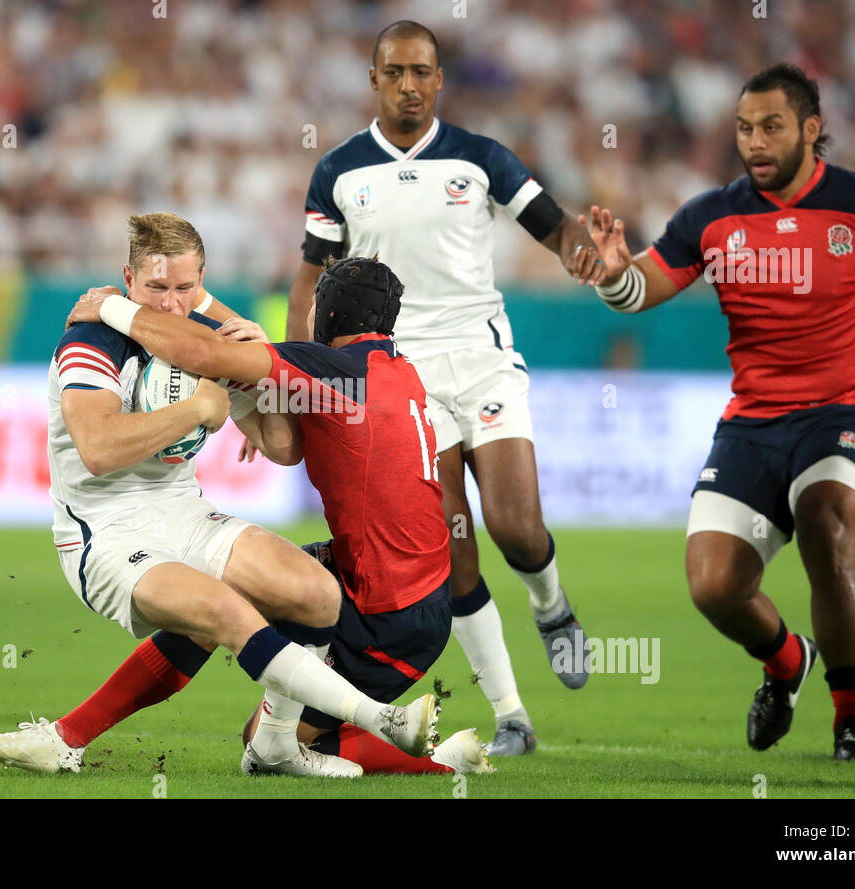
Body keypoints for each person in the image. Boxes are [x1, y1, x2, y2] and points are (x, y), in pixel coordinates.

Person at [0, 213, 440, 777]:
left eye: (185, 288)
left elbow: (283, 446)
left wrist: (262, 374)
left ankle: (268, 745)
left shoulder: (208, 339)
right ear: (128, 280)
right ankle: (384, 721)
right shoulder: (93, 338)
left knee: (314, 592)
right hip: (105, 533)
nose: (170, 304)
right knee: (223, 610)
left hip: (185, 513)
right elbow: (96, 447)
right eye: (157, 288)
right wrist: (194, 410)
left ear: (203, 283)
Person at [584, 63, 855, 760]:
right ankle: (787, 661)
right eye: (744, 128)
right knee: (714, 585)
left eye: (771, 126)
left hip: (848, 409)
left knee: (826, 525)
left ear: (811, 130)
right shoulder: (711, 216)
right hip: (753, 422)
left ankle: (854, 722)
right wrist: (612, 276)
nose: (755, 141)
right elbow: (641, 291)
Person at [285, 20, 608, 755]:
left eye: (421, 72)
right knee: (454, 546)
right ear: (374, 79)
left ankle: (551, 604)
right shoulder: (339, 171)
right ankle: (513, 715)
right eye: (394, 72)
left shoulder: (483, 157)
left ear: (439, 79)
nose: (408, 85)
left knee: (518, 528)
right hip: (402, 378)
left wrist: (587, 255)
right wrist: (298, 381)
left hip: (485, 359)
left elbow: (556, 229)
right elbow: (308, 278)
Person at [68, 256, 494, 776]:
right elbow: (290, 432)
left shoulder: (334, 370)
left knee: (262, 746)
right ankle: (70, 733)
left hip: (392, 614)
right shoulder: (392, 371)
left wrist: (110, 305)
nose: (309, 311)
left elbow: (202, 350)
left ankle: (438, 764)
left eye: (316, 304)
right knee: (223, 596)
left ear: (330, 317)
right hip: (391, 580)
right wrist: (257, 378)